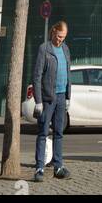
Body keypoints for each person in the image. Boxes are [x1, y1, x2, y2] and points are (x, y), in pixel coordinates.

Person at [33, 20, 72, 183]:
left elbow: (68, 72)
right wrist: (38, 100)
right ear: (53, 32)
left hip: (62, 96)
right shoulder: (44, 49)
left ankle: (58, 166)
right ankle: (40, 168)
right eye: (58, 36)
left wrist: (69, 96)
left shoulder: (65, 48)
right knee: (43, 132)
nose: (60, 40)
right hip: (48, 98)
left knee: (59, 133)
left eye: (63, 37)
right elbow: (37, 76)